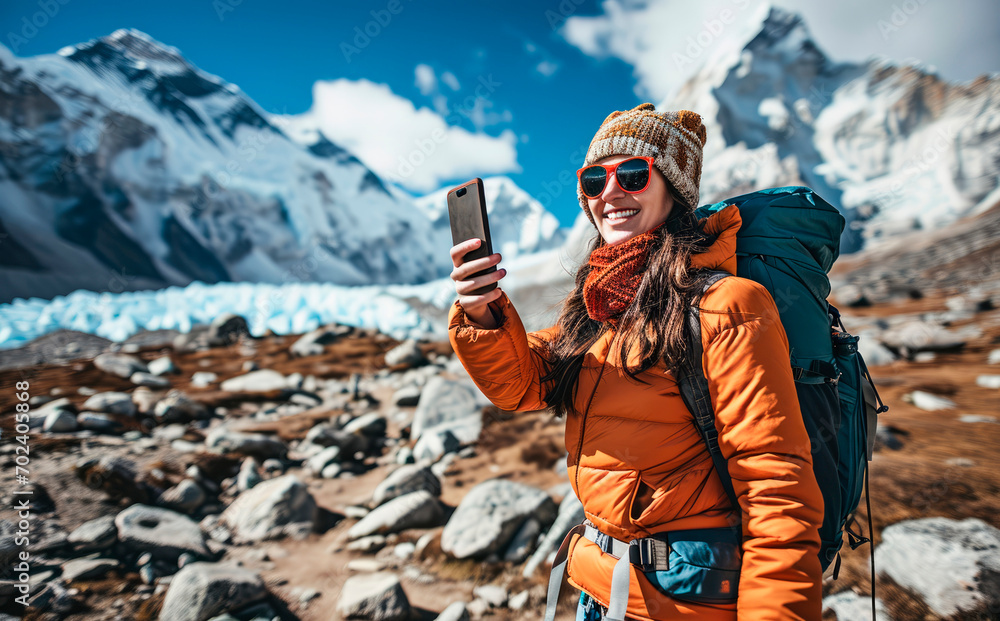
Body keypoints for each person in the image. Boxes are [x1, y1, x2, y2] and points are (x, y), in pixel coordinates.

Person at [447, 103, 823, 620]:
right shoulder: (599, 308)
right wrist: (482, 314)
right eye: (594, 179)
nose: (610, 193)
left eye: (633, 174)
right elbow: (520, 387)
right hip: (603, 585)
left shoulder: (729, 304)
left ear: (675, 189)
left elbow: (775, 492)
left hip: (683, 599)